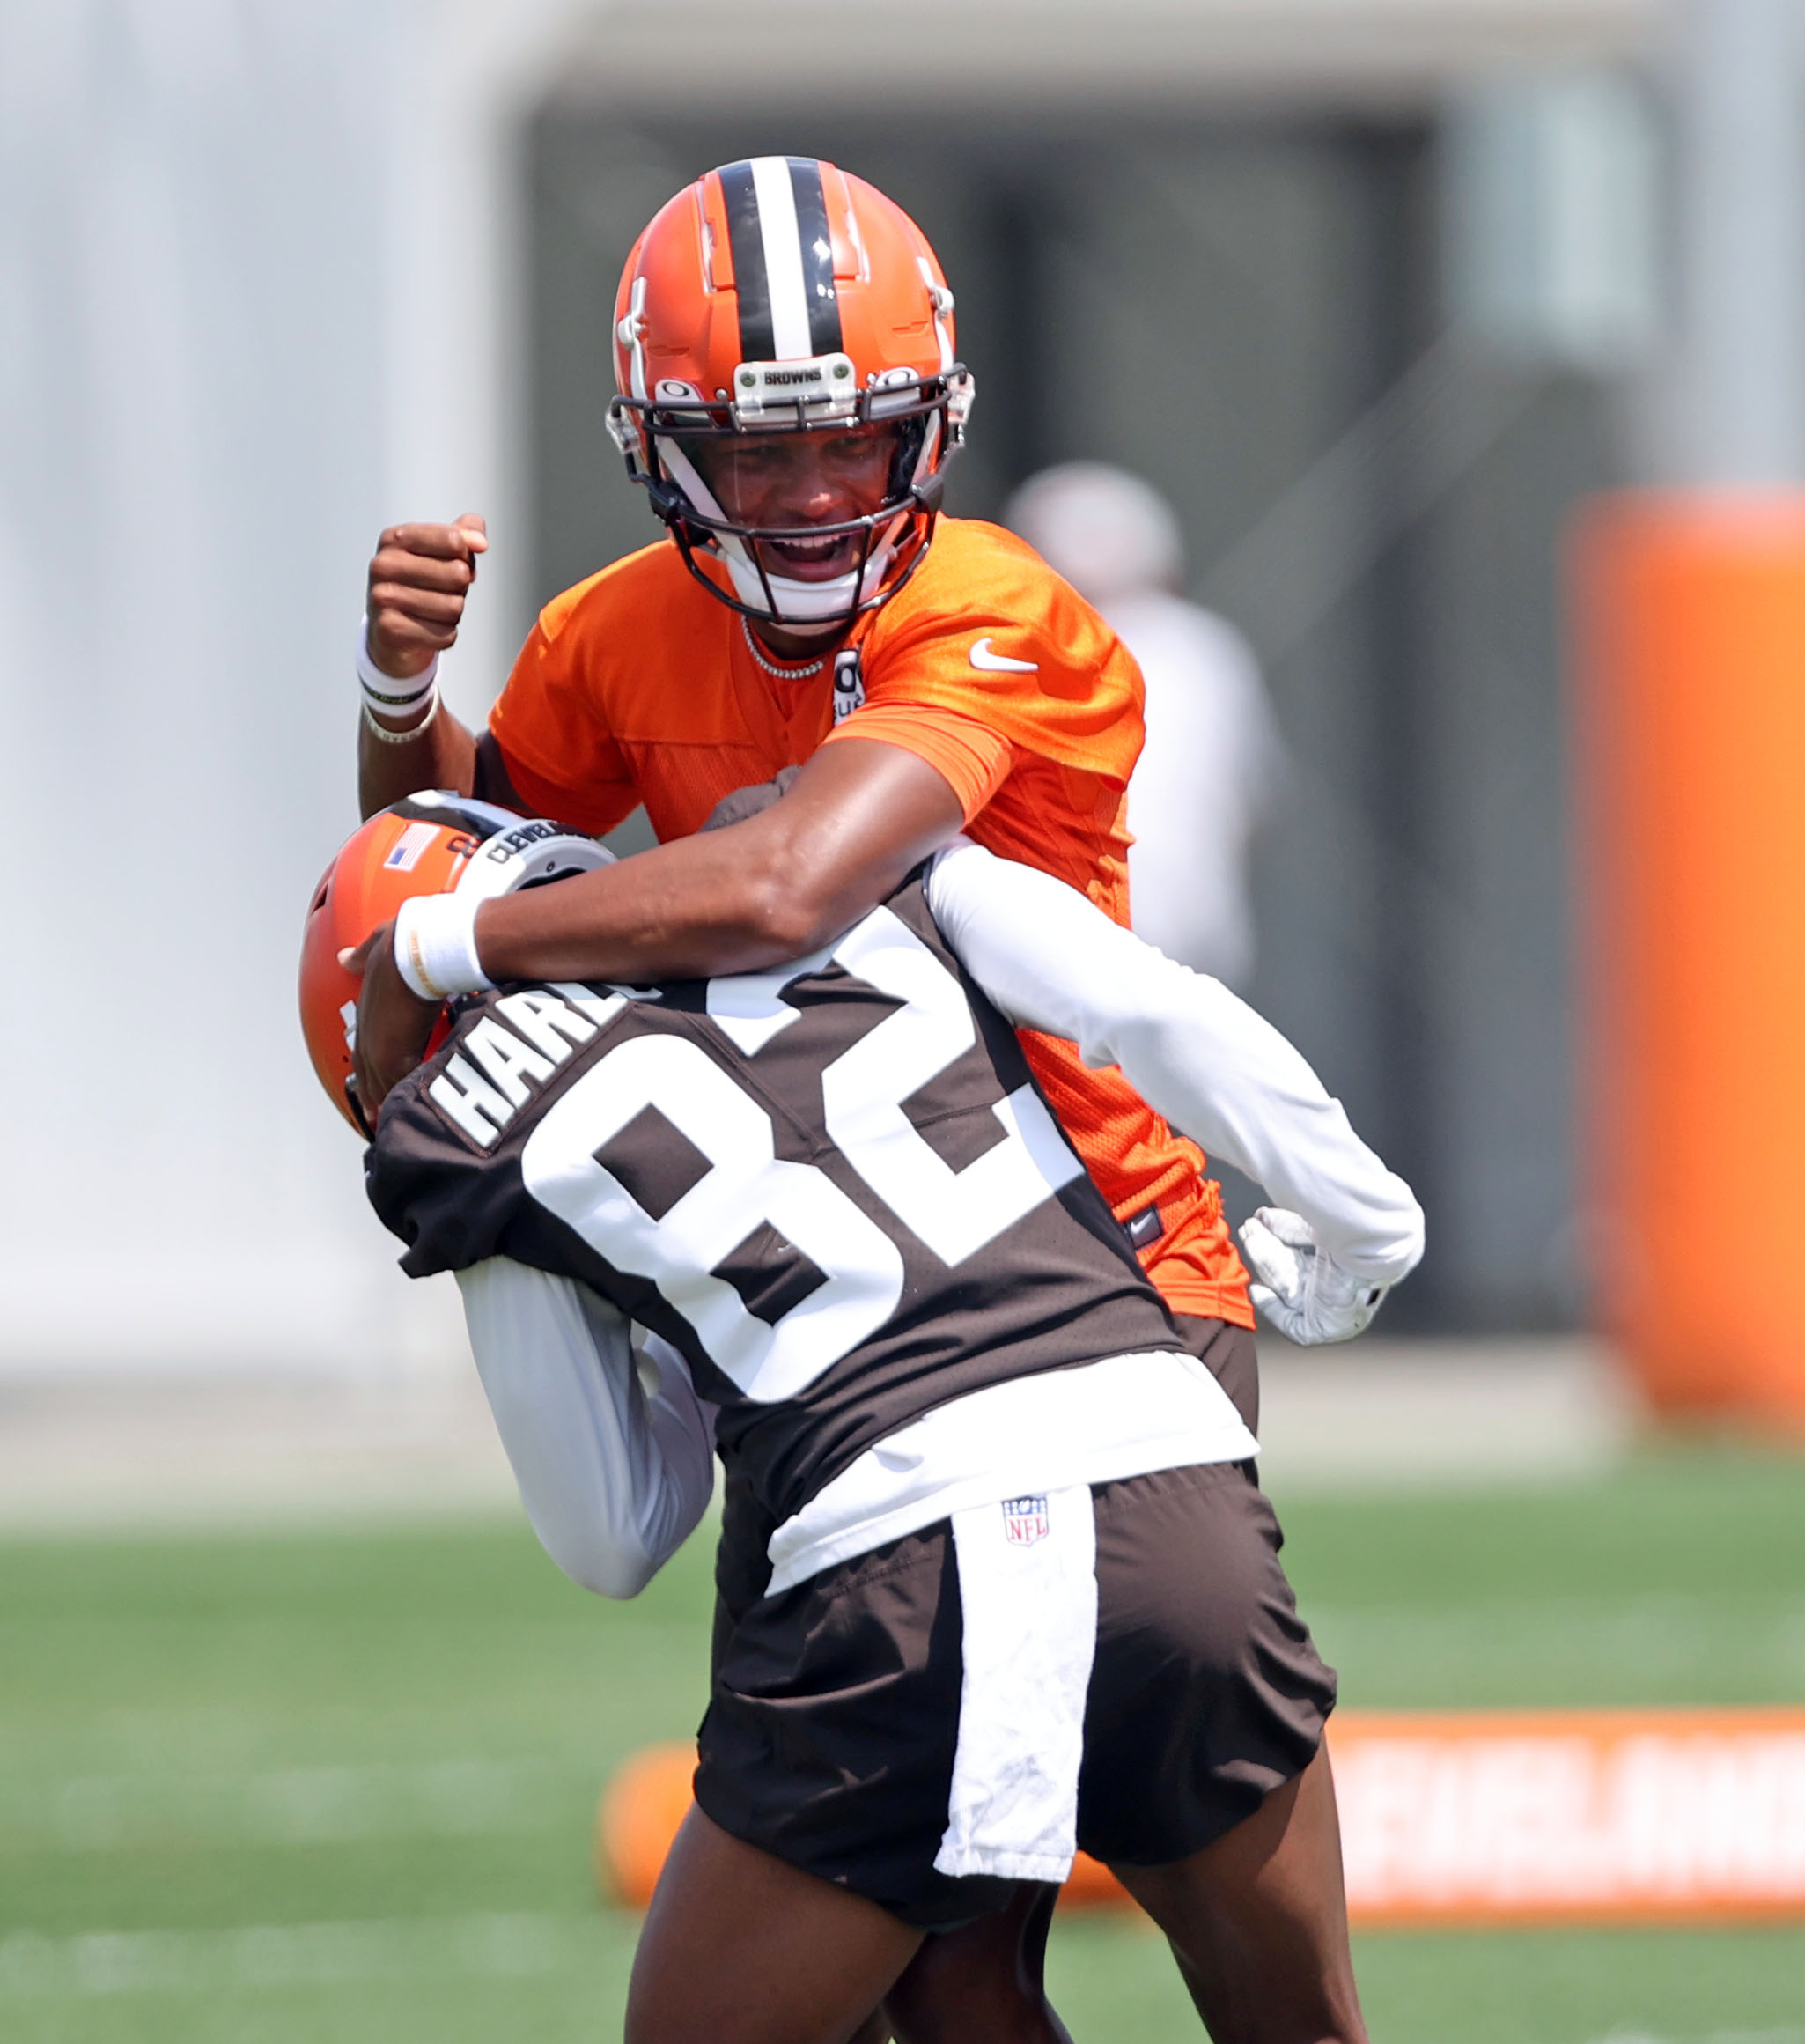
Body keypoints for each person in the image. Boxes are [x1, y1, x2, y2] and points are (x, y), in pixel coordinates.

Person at [339, 154, 1381, 2039]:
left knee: (1114, 1932)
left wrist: (433, 941)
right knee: (942, 1963)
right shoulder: (608, 634)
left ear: (934, 427)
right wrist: (399, 700)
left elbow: (768, 887)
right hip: (832, 1324)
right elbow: (469, 862)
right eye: (759, 454)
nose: (818, 493)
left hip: (1097, 1274)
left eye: (853, 441)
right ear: (661, 451)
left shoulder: (995, 608)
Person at [304, 784, 1423, 2044]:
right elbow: (1155, 1007)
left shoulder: (474, 1124)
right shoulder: (867, 874)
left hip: (907, 1566)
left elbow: (614, 1534)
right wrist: (1371, 1226)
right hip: (1173, 1481)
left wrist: (677, 1310)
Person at [1004, 463, 1283, 989]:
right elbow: (1255, 805)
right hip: (1200, 957)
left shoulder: (1017, 651)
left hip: (1062, 952)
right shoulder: (1210, 649)